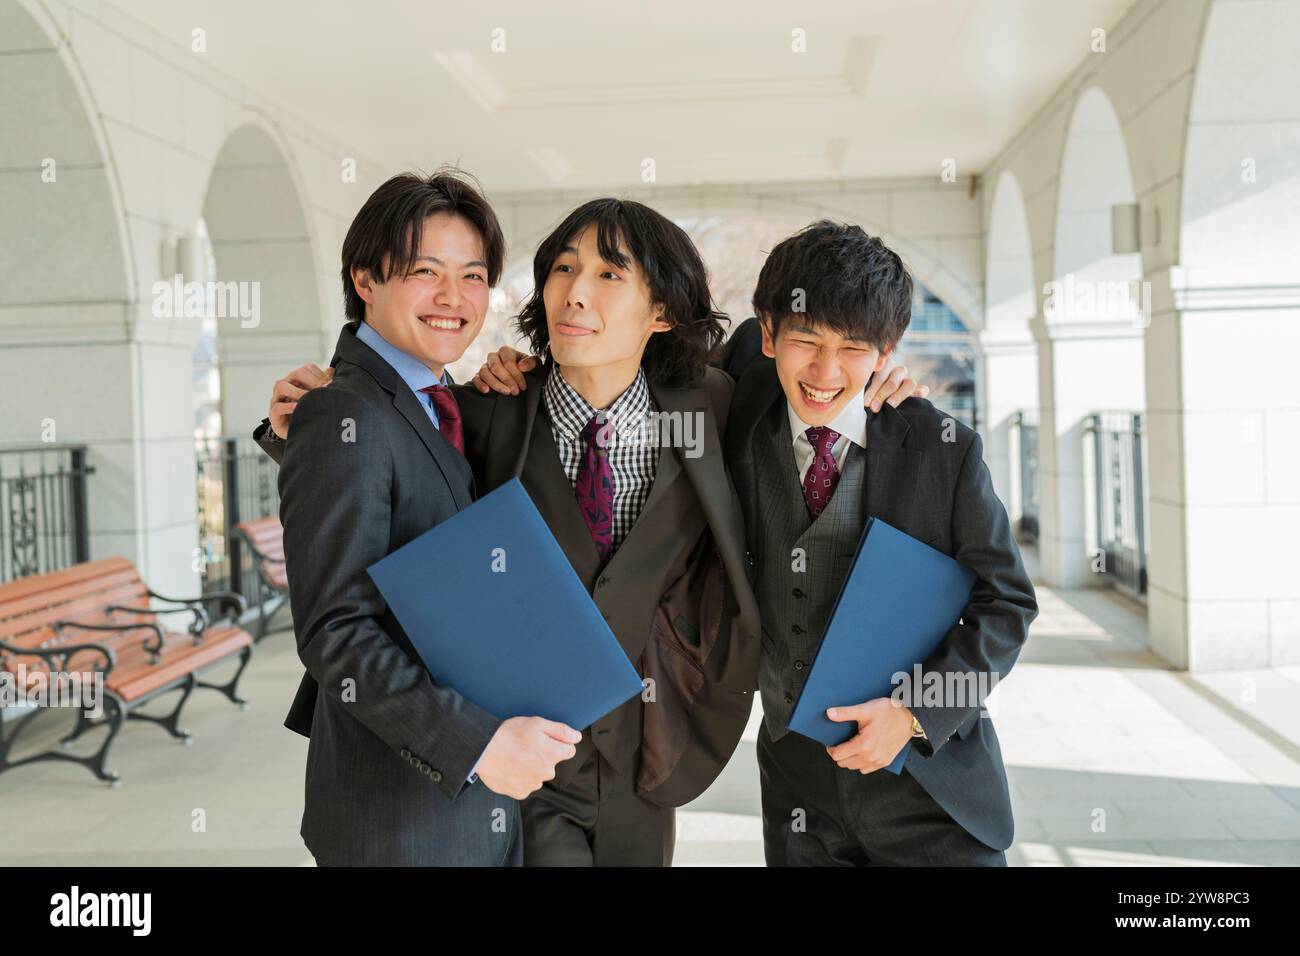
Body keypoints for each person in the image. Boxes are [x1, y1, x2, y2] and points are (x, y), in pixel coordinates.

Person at [270, 169, 579, 866]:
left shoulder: (433, 401)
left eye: (473, 276)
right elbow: (336, 631)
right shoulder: (343, 411)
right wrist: (478, 746)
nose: (454, 298)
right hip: (401, 814)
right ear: (365, 279)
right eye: (424, 272)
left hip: (465, 801)